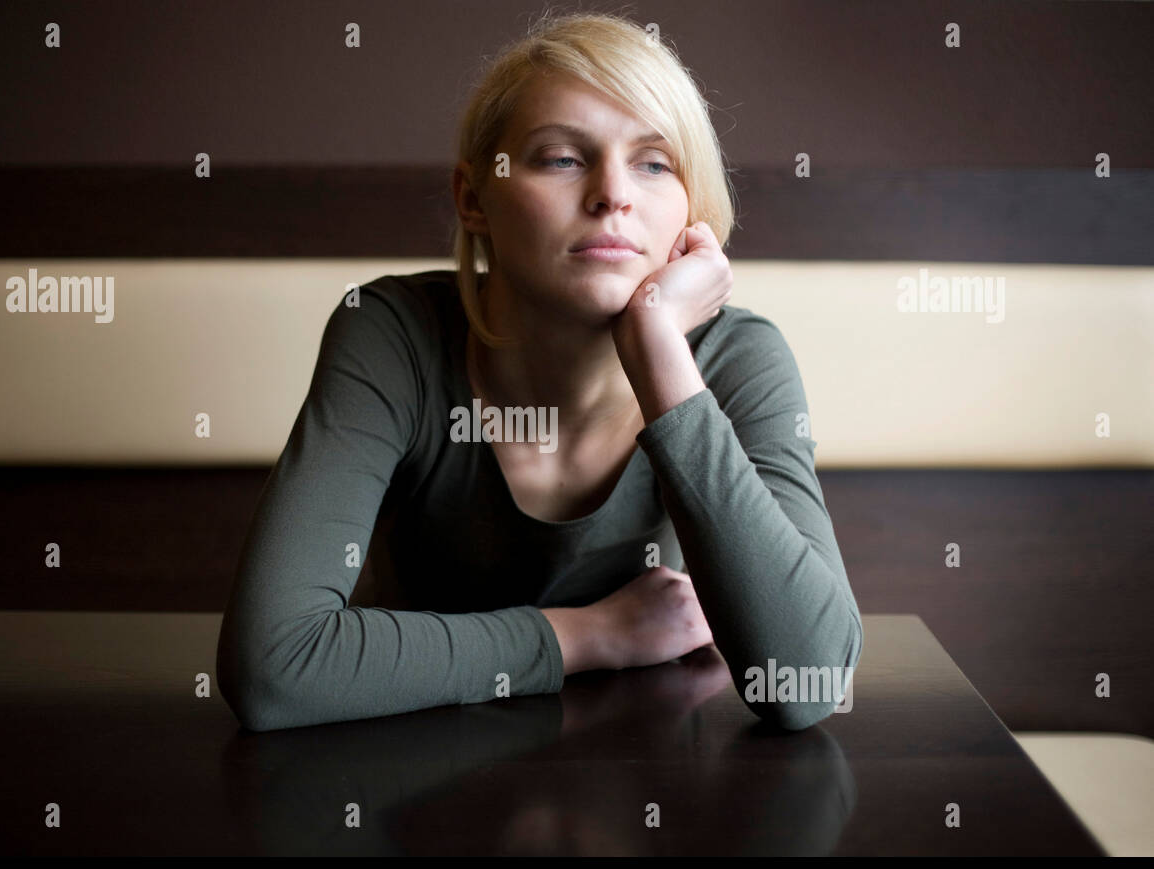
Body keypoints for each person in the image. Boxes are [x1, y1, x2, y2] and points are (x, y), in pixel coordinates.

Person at [217, 11, 862, 732]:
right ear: (474, 198)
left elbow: (807, 681)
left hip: (655, 789)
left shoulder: (738, 360)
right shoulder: (392, 332)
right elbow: (276, 665)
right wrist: (593, 633)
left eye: (653, 162)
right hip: (417, 777)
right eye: (560, 158)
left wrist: (656, 347)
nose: (613, 193)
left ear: (692, 208)